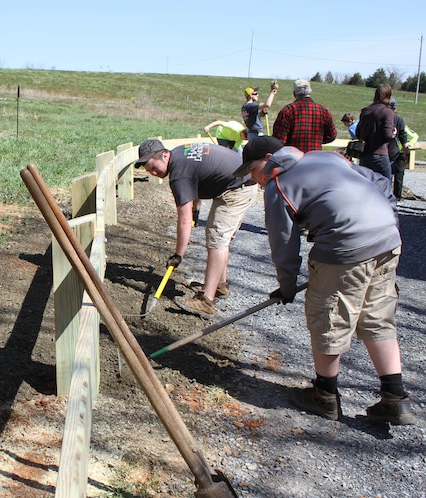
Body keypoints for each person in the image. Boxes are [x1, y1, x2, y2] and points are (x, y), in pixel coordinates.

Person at [234, 136, 413, 425]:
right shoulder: (327, 157)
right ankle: (395, 396)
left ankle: (324, 395)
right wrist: (385, 221)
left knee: (329, 316)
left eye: (253, 170)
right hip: (387, 239)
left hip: (344, 247)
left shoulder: (278, 182)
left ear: (268, 158)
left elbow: (283, 243)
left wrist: (287, 286)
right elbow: (380, 183)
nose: (255, 180)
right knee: (377, 316)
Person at [134, 138, 258, 318]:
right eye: (149, 171)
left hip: (238, 187)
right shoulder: (179, 154)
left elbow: (184, 221)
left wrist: (178, 254)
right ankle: (220, 285)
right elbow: (198, 179)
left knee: (217, 240)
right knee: (219, 237)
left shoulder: (178, 174)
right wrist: (196, 209)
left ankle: (206, 301)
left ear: (164, 155)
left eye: (154, 167)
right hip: (238, 181)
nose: (153, 173)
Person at [271, 79, 337, 152]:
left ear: (294, 93)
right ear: (310, 92)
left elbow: (278, 140)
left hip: (293, 159)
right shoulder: (324, 111)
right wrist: (317, 141)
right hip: (314, 158)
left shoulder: (288, 110)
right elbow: (332, 136)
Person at [356, 84, 396, 182]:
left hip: (365, 155)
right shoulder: (387, 112)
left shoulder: (365, 111)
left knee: (366, 186)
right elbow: (387, 135)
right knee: (385, 186)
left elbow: (358, 133)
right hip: (380, 154)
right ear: (388, 96)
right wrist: (393, 133)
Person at [388, 97, 409, 200]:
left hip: (382, 149)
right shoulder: (399, 119)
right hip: (394, 150)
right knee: (395, 173)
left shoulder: (381, 116)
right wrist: (406, 149)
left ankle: (384, 193)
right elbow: (403, 135)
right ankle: (396, 196)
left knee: (386, 174)